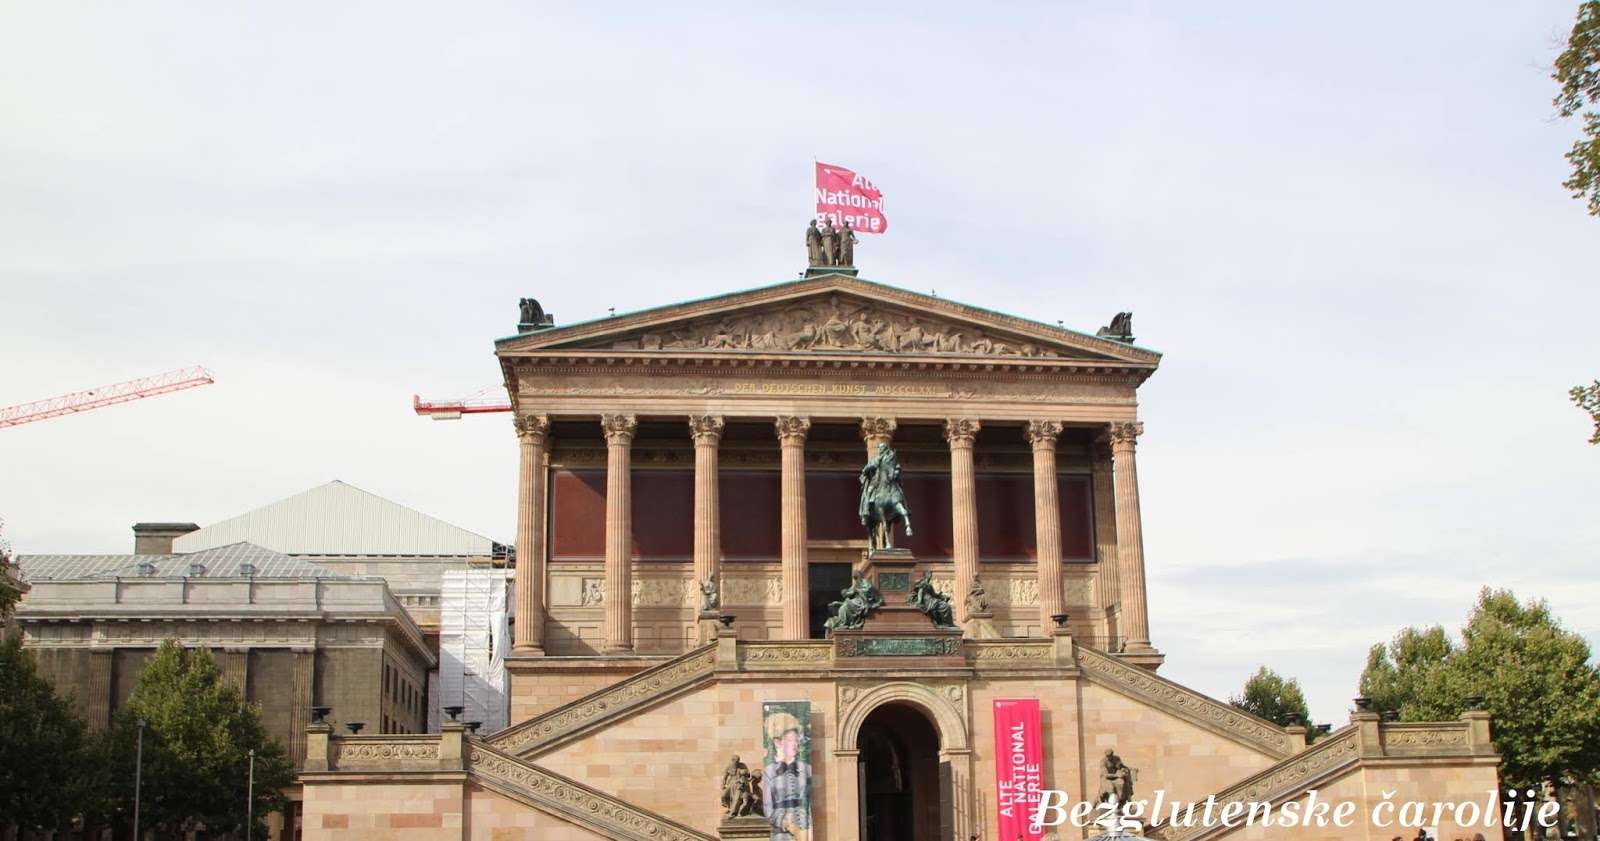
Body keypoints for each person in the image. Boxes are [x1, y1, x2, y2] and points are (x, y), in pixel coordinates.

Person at [763, 712, 812, 841]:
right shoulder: (768, 772)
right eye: (789, 740)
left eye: (796, 740)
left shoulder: (806, 769)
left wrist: (807, 828)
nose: (794, 744)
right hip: (781, 832)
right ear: (777, 743)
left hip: (806, 829)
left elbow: (811, 801)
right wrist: (790, 826)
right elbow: (767, 807)